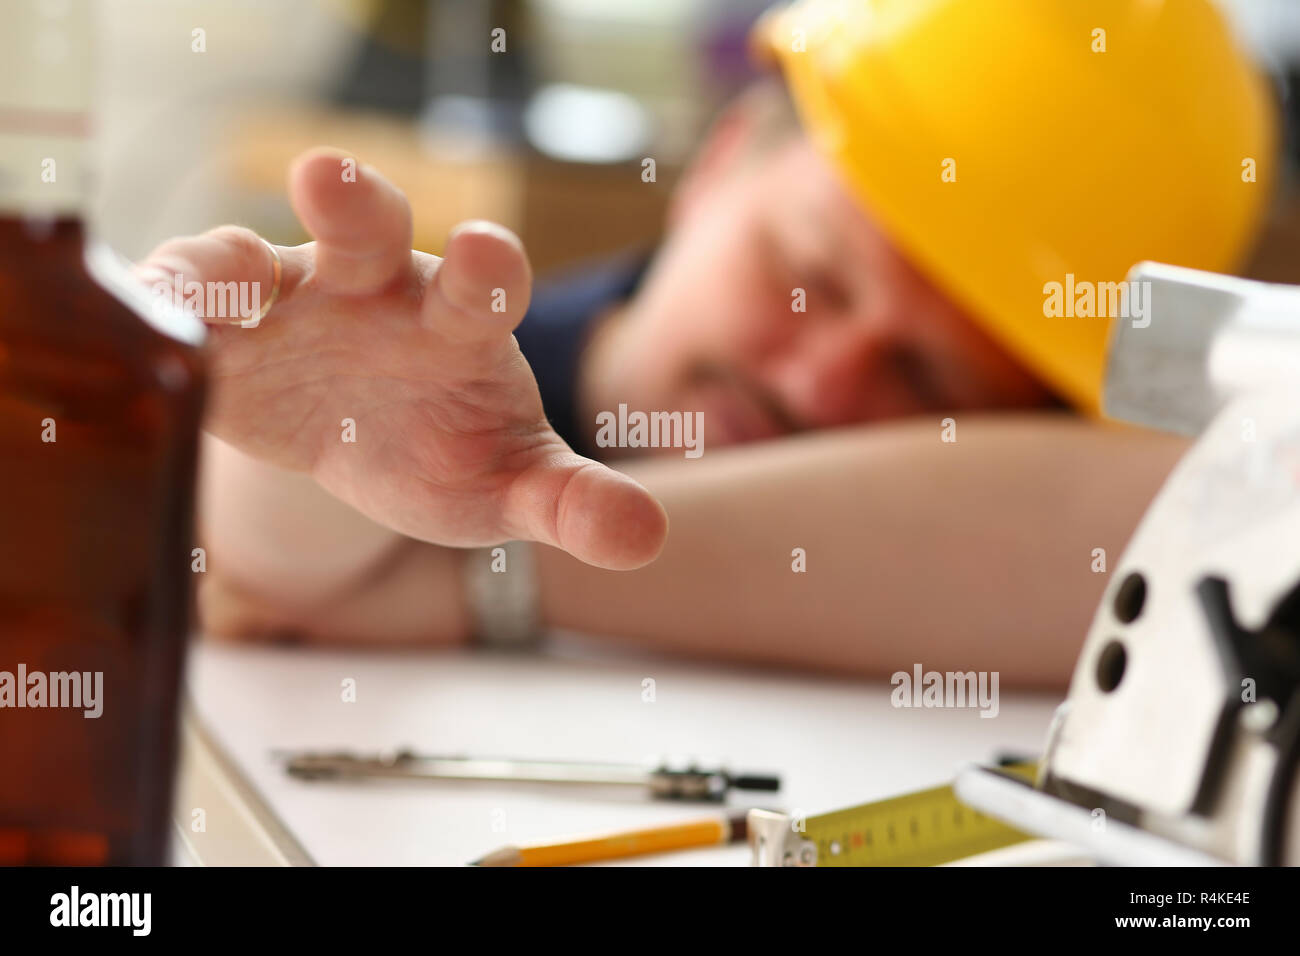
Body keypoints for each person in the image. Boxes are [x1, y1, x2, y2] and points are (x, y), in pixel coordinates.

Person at [160, 0, 1278, 686]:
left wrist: (486, 576)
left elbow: (1238, 499)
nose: (818, 374)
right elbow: (270, 557)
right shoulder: (457, 362)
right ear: (723, 156)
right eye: (808, 280)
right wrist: (307, 460)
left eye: (926, 374)